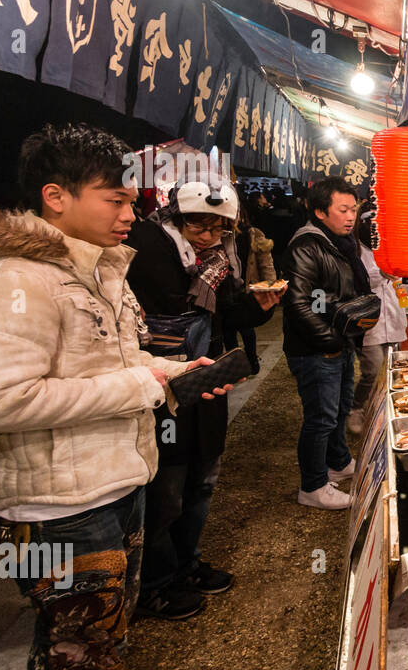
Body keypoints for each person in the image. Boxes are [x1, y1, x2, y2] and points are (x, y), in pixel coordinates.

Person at [0, 124, 233, 670]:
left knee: (103, 628)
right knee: (74, 646)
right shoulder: (14, 277)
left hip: (111, 481)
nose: (128, 213)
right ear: (55, 196)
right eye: (113, 200)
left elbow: (109, 360)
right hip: (58, 503)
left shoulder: (97, 268)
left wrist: (171, 370)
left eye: (131, 200)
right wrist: (142, 389)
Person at [126, 179, 280, 618]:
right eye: (199, 224)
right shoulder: (143, 249)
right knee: (165, 490)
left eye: (218, 227)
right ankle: (156, 583)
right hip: (162, 384)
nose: (209, 235)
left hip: (207, 378)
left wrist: (261, 307)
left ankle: (187, 565)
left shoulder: (217, 260)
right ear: (176, 218)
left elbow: (229, 312)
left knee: (203, 479)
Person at [282, 178, 369, 510]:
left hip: (338, 342)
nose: (350, 217)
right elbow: (299, 305)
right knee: (319, 417)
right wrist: (329, 340)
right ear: (319, 211)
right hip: (315, 349)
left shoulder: (339, 243)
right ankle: (313, 485)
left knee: (338, 410)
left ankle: (339, 461)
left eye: (353, 209)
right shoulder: (307, 245)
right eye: (342, 210)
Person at [348, 207, 408, 433]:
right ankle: (356, 409)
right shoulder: (354, 251)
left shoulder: (390, 249)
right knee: (372, 371)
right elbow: (357, 283)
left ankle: (382, 411)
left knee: (392, 370)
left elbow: (402, 282)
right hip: (369, 323)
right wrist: (380, 274)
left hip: (393, 316)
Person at [222, 195, 278, 374]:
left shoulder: (252, 234)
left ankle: (252, 360)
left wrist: (270, 286)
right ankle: (236, 365)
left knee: (246, 329)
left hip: (245, 290)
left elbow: (266, 264)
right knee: (228, 331)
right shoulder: (217, 238)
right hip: (224, 292)